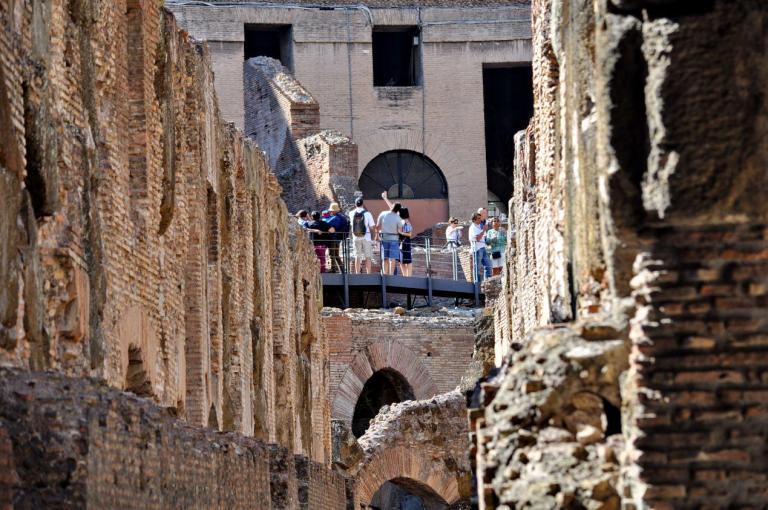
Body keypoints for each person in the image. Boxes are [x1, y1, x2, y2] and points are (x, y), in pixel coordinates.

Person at [375, 191, 402, 275]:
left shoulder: (383, 213)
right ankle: (391, 275)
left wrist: (376, 236)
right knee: (392, 258)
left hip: (384, 238)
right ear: (398, 210)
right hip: (394, 239)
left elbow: (377, 226)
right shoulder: (398, 218)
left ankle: (385, 275)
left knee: (385, 258)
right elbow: (400, 231)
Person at [349, 197, 376, 274]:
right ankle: (368, 274)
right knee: (368, 257)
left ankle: (357, 273)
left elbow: (351, 225)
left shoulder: (351, 213)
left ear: (355, 204)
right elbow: (371, 227)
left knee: (357, 256)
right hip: (366, 237)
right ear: (362, 204)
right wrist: (373, 236)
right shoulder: (367, 213)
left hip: (356, 237)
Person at [325, 202, 349, 273]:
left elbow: (326, 224)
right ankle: (342, 270)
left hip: (334, 237)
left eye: (331, 211)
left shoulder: (335, 218)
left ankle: (333, 269)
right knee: (336, 254)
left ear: (333, 211)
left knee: (332, 254)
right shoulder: (342, 217)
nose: (330, 212)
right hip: (339, 238)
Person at [469, 212, 492, 281]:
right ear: (474, 220)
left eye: (480, 218)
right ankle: (477, 285)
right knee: (477, 268)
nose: (480, 220)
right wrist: (484, 230)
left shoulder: (480, 225)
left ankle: (487, 282)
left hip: (483, 248)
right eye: (478, 219)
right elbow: (478, 239)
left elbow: (483, 237)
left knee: (488, 266)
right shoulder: (472, 228)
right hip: (477, 249)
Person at [398, 207, 413, 277]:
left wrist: (401, 233)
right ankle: (405, 276)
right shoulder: (401, 221)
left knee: (407, 260)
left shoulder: (406, 222)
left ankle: (408, 276)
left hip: (405, 241)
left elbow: (410, 234)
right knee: (401, 260)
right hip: (401, 241)